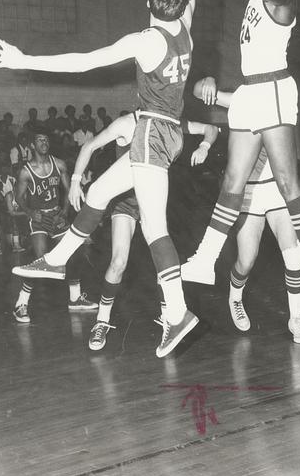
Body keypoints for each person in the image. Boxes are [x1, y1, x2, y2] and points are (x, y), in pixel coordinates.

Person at [0, 0, 202, 357]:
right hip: (170, 131)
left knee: (155, 227)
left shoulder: (146, 41)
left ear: (148, 5)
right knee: (101, 190)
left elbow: (84, 62)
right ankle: (57, 258)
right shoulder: (186, 28)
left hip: (152, 133)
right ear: (181, 7)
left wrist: (24, 59)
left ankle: (178, 313)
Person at [180, 0, 300, 309]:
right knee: (232, 180)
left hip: (275, 90)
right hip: (249, 92)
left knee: (286, 181)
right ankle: (206, 257)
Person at [67, 110, 219, 351]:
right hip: (127, 202)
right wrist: (75, 180)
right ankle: (101, 321)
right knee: (118, 262)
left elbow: (211, 128)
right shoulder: (127, 123)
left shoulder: (171, 120)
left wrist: (205, 146)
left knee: (165, 265)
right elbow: (89, 146)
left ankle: (170, 319)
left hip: (154, 199)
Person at [193, 79, 300, 343]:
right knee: (246, 260)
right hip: (250, 191)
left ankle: (296, 317)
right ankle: (235, 296)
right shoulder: (243, 99)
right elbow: (198, 91)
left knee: (293, 257)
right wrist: (208, 83)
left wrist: (293, 123)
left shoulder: (282, 104)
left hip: (279, 192)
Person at [12, 130, 97, 323]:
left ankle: (75, 299)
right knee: (40, 261)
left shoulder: (59, 164)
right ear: (33, 145)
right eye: (40, 139)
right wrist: (30, 212)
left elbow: (69, 190)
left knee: (75, 253)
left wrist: (65, 212)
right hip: (39, 219)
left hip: (57, 214)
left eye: (46, 139)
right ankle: (21, 304)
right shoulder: (26, 171)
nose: (44, 142)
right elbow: (18, 197)